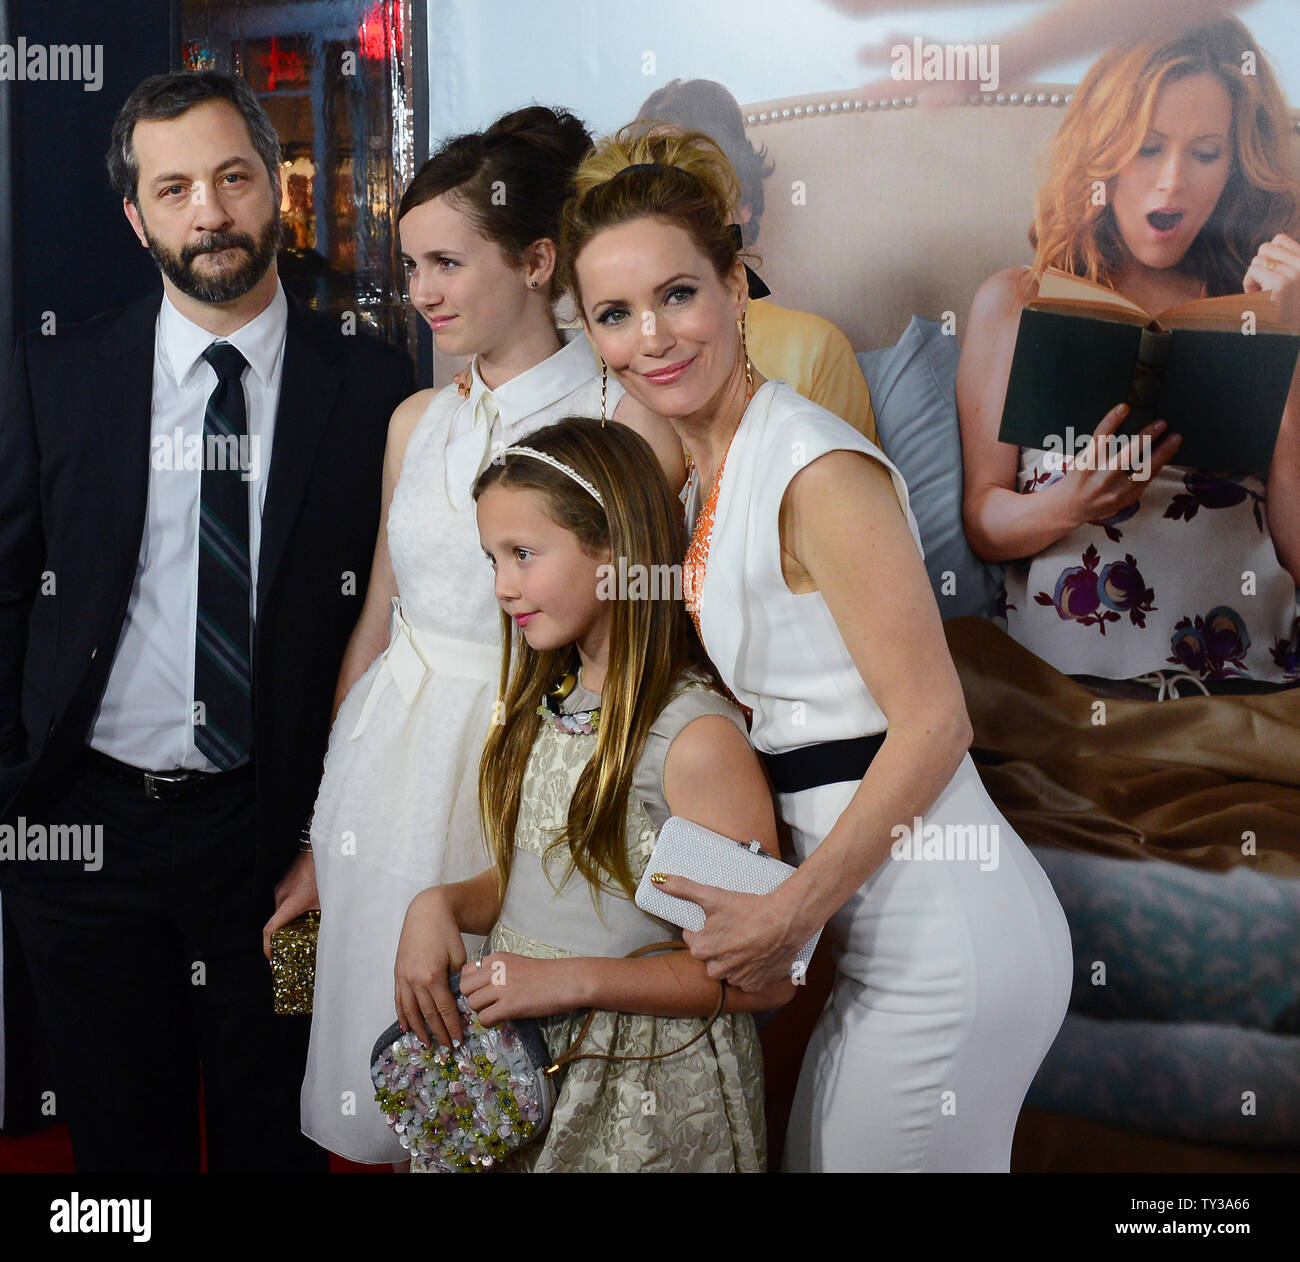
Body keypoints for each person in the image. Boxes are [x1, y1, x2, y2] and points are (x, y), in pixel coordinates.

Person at [559, 127, 1073, 1172]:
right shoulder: (711, 463)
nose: (651, 337)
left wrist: (790, 911)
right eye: (614, 314)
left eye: (677, 295)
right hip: (874, 942)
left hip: (950, 941)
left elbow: (936, 723)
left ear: (735, 283)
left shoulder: (815, 468)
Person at [0, 70, 414, 1171]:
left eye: (233, 178)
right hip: (85, 842)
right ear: (136, 218)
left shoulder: (374, 386)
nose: (210, 212)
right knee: (115, 1162)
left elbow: (399, 624)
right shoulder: (57, 374)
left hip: (282, 847)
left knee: (276, 1143)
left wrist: (334, 833)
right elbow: (8, 589)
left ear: (275, 189)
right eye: (174, 188)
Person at [294, 106, 684, 1165]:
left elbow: (651, 632)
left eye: (447, 263)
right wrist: (324, 831)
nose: (421, 292)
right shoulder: (416, 421)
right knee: (393, 1075)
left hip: (527, 763)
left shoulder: (625, 417)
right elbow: (378, 621)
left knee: (510, 1088)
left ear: (537, 260)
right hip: (388, 766)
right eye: (411, 265)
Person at [949, 19, 1300, 1139]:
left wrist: (1291, 348)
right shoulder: (1015, 299)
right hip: (1064, 700)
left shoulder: (1273, 302)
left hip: (1248, 700)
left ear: (1239, 163)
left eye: (1205, 152)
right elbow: (985, 516)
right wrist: (1068, 506)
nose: (1171, 182)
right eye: (1147, 147)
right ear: (1099, 151)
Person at [393, 418, 791, 1172]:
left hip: (634, 1086)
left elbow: (763, 978)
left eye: (523, 554)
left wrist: (570, 980)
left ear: (613, 553)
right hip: (521, 1061)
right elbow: (543, 878)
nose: (503, 586)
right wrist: (438, 904)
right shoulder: (552, 703)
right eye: (492, 559)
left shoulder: (693, 739)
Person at [636, 79, 879, 441]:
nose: (666, 215)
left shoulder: (812, 349)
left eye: (693, 187)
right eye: (642, 192)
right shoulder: (608, 351)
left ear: (742, 201)